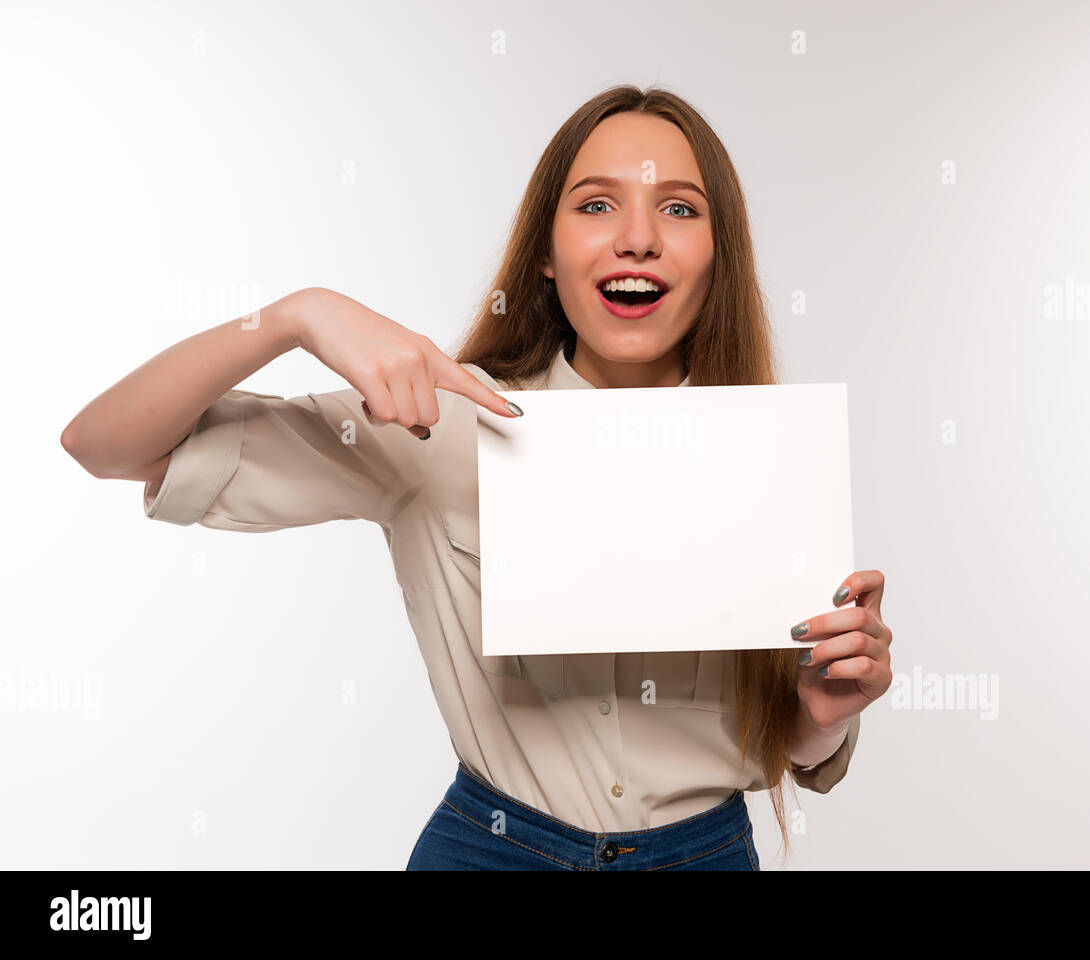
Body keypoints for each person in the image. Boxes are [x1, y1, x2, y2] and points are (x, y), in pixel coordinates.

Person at [60, 84, 894, 871]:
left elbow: (792, 742)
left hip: (704, 852)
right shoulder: (436, 422)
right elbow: (105, 447)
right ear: (544, 254)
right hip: (493, 847)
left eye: (678, 208)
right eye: (597, 204)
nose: (637, 237)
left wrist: (823, 715)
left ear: (719, 255)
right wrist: (293, 316)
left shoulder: (774, 459)